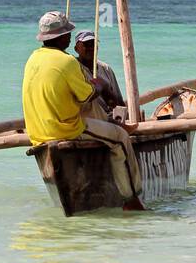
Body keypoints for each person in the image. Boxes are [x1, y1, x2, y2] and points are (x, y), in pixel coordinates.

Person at [22, 11, 144, 210]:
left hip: (37, 133)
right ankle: (131, 199)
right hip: (65, 129)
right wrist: (101, 85)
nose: (70, 36)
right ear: (61, 37)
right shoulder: (67, 61)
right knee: (120, 138)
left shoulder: (33, 59)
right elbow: (87, 96)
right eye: (68, 33)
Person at [74, 30, 125, 118]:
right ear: (76, 49)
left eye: (93, 44)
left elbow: (119, 102)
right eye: (86, 44)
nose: (91, 48)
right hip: (89, 118)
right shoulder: (74, 69)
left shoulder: (106, 68)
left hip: (109, 116)